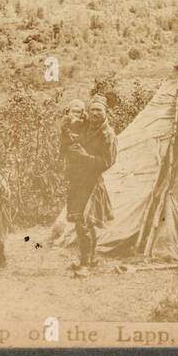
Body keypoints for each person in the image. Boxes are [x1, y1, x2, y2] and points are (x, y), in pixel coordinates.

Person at [63, 95, 117, 276]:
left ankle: (85, 264)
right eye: (92, 109)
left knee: (84, 222)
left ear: (105, 112)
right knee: (81, 222)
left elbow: (107, 162)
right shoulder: (86, 126)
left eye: (98, 110)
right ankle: (91, 258)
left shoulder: (107, 134)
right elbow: (68, 127)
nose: (95, 113)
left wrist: (83, 157)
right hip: (77, 180)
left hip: (92, 182)